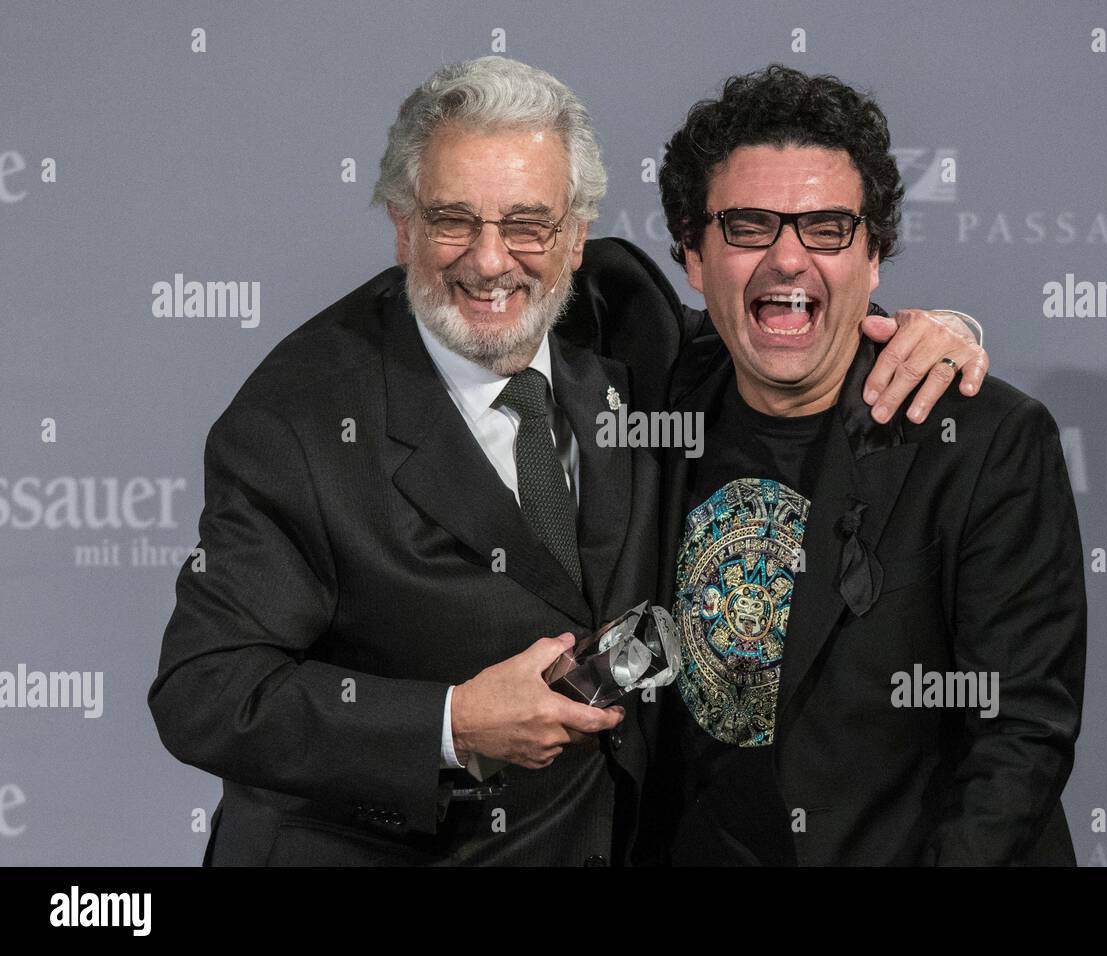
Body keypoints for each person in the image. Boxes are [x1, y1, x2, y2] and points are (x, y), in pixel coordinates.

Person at [147, 56, 985, 866]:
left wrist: (927, 332)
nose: (489, 258)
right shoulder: (298, 421)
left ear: (576, 237)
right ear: (404, 228)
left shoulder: (626, 321)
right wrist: (452, 722)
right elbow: (204, 690)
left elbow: (771, 333)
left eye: (526, 223)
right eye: (452, 219)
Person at [642, 64, 1087, 866]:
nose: (787, 258)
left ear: (874, 256)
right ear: (692, 256)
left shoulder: (986, 442)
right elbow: (509, 275)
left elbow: (1019, 742)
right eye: (748, 225)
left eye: (826, 228)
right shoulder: (658, 386)